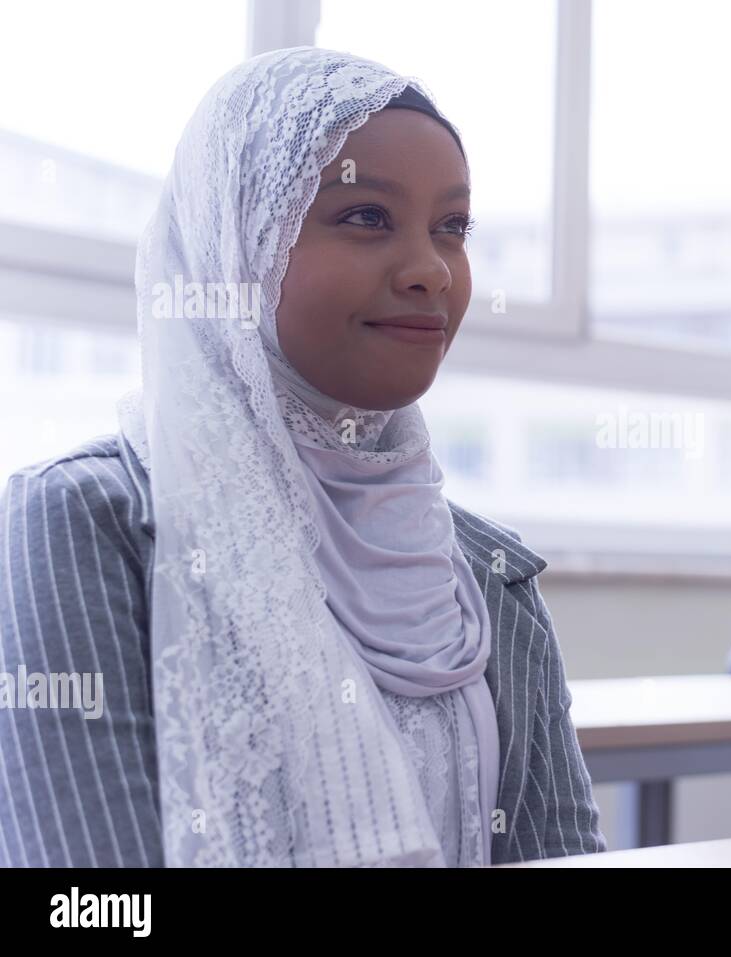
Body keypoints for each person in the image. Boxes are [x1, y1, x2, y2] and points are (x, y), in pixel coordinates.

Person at [0, 46, 606, 867]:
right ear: (239, 245)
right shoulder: (81, 525)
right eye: (366, 218)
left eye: (453, 228)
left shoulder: (487, 573)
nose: (432, 269)